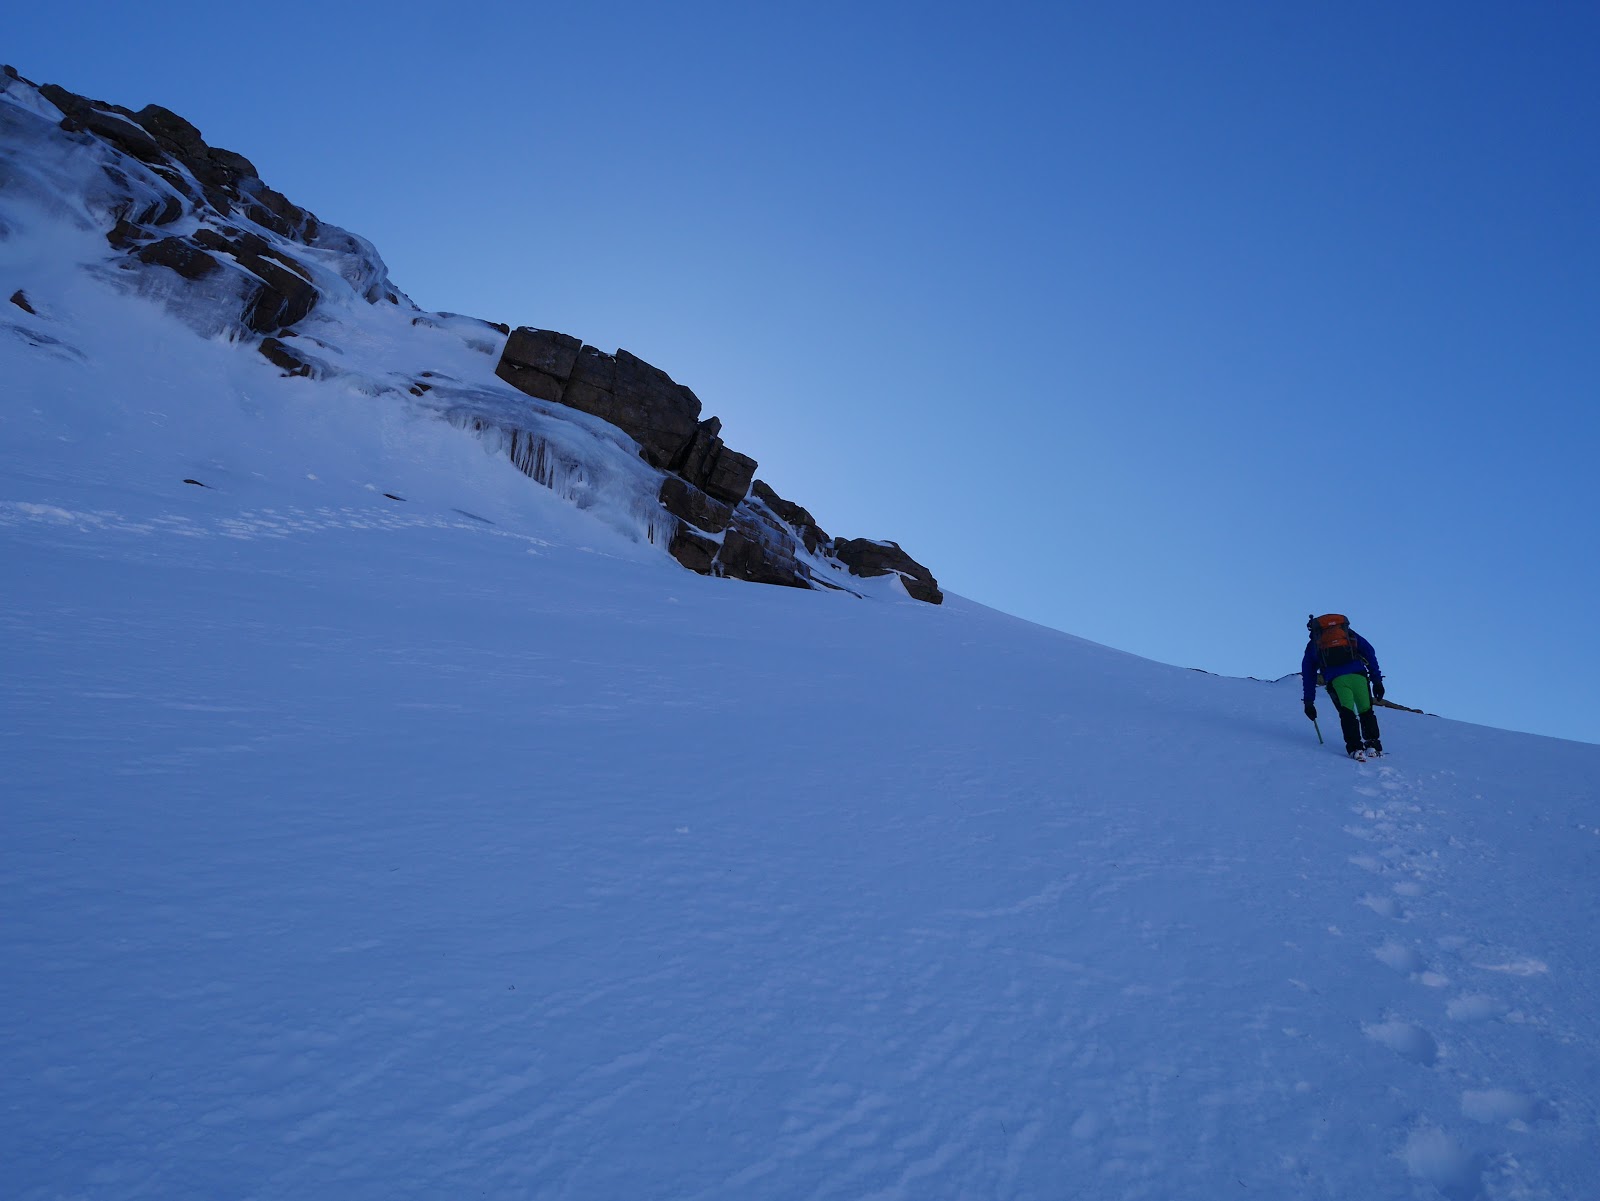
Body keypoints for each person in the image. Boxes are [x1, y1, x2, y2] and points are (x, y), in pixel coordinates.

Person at [1301, 614, 1385, 758]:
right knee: (1365, 710)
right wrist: (1377, 681)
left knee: (1347, 712)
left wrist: (1309, 702)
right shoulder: (1349, 635)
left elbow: (1309, 674)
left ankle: (1355, 749)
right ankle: (1372, 746)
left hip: (1336, 679)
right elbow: (1369, 652)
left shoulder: (1314, 645)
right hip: (1358, 675)